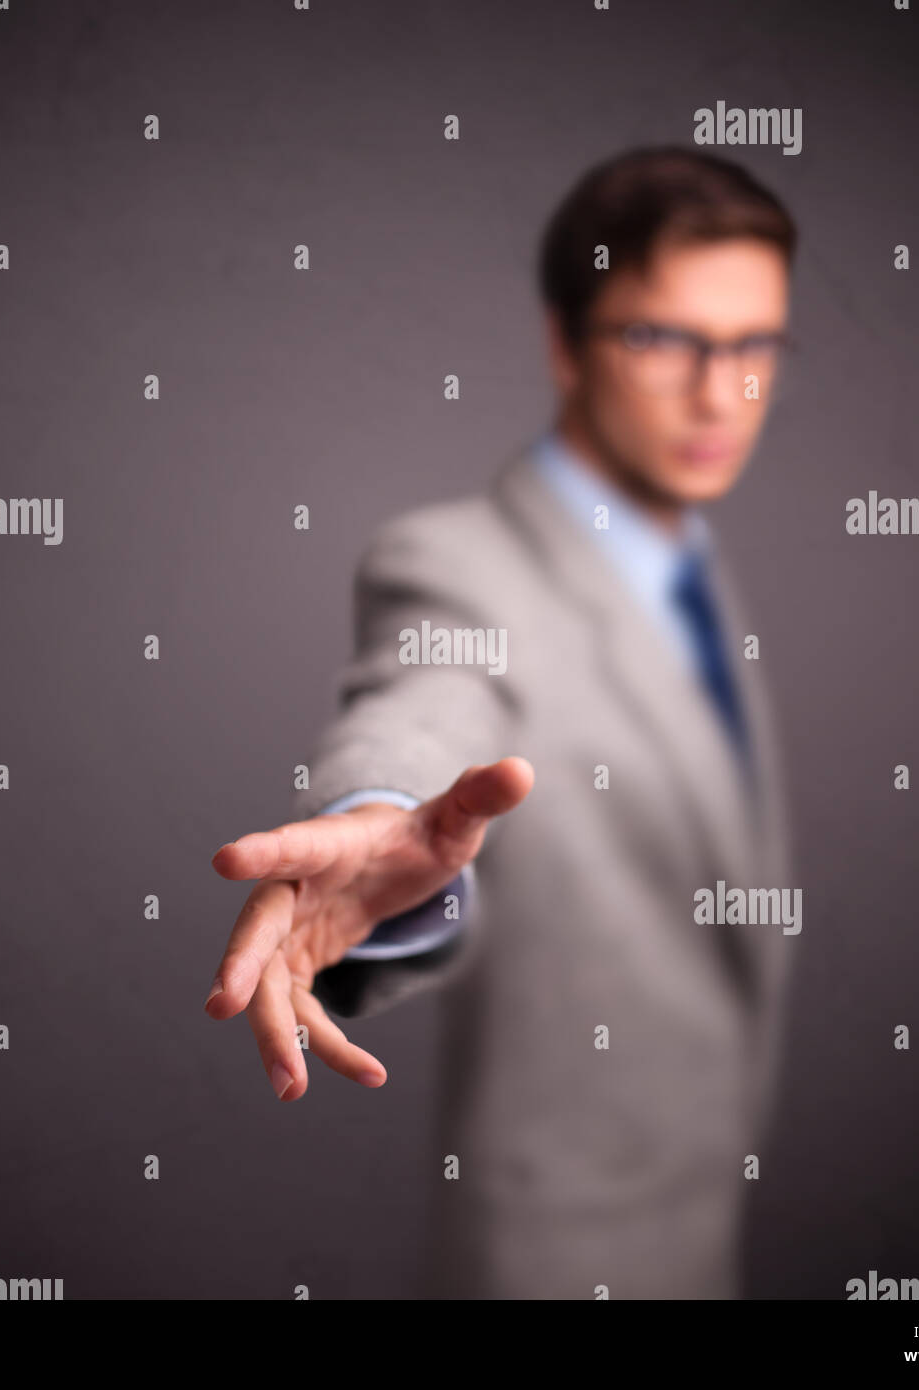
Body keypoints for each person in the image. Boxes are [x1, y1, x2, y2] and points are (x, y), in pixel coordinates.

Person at [205, 145, 800, 1298]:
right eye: (664, 338)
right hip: (563, 1255)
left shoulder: (688, 562)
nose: (719, 392)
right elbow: (430, 686)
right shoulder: (461, 564)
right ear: (565, 342)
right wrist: (380, 818)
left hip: (700, 1236)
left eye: (755, 345)